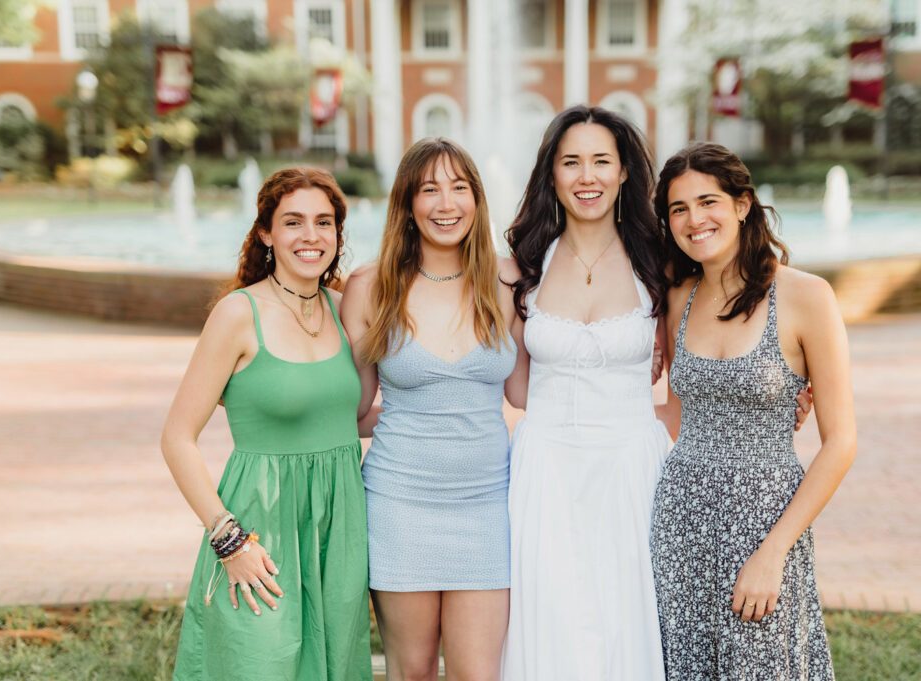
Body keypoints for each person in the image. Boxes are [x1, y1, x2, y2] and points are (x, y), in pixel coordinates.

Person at [650, 142, 855, 680]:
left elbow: (841, 443)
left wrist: (773, 553)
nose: (694, 219)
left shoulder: (807, 296)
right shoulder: (677, 296)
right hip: (679, 519)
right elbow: (677, 414)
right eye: (678, 209)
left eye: (708, 201)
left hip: (765, 520)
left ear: (743, 204)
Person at [162, 168, 372, 681]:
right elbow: (176, 437)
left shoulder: (345, 311)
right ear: (266, 233)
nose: (311, 236)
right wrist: (227, 537)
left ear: (338, 235)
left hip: (338, 528)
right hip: (260, 525)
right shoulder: (238, 313)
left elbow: (348, 419)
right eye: (293, 222)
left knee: (334, 667)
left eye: (324, 223)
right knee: (257, 665)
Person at [500, 105, 672, 681]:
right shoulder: (521, 267)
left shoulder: (661, 265)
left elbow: (704, 360)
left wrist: (796, 385)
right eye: (571, 162)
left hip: (632, 468)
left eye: (602, 161)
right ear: (551, 174)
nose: (587, 176)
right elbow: (516, 385)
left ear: (625, 172)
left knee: (628, 624)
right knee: (548, 623)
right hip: (545, 466)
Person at [340, 138, 521, 681]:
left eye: (459, 188)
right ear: (407, 203)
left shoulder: (508, 280)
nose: (447, 204)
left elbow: (532, 390)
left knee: (477, 674)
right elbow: (353, 407)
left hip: (487, 504)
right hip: (399, 502)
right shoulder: (371, 287)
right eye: (430, 189)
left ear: (477, 199)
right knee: (411, 670)